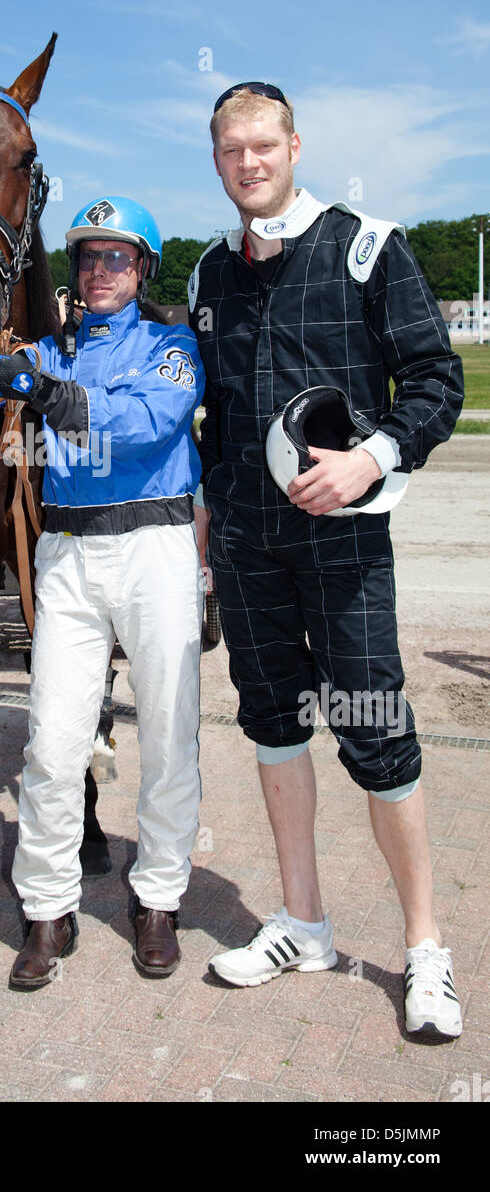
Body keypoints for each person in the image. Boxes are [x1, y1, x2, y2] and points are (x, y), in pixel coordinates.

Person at [189, 82, 464, 1039]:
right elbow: (217, 420)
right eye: (232, 151)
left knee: (377, 733)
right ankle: (303, 921)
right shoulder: (207, 278)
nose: (250, 163)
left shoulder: (367, 247)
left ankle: (426, 946)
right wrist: (205, 526)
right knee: (271, 724)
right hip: (249, 549)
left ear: (295, 146)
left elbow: (437, 378)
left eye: (264, 145)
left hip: (345, 546)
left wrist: (369, 459)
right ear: (216, 160)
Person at [0, 196, 205, 988]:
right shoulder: (50, 347)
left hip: (154, 547)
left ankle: (157, 900)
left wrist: (44, 392)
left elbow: (143, 426)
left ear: (143, 267)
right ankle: (47, 909)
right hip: (69, 555)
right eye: (88, 258)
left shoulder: (172, 343)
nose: (99, 271)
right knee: (51, 742)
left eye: (117, 257)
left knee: (167, 734)